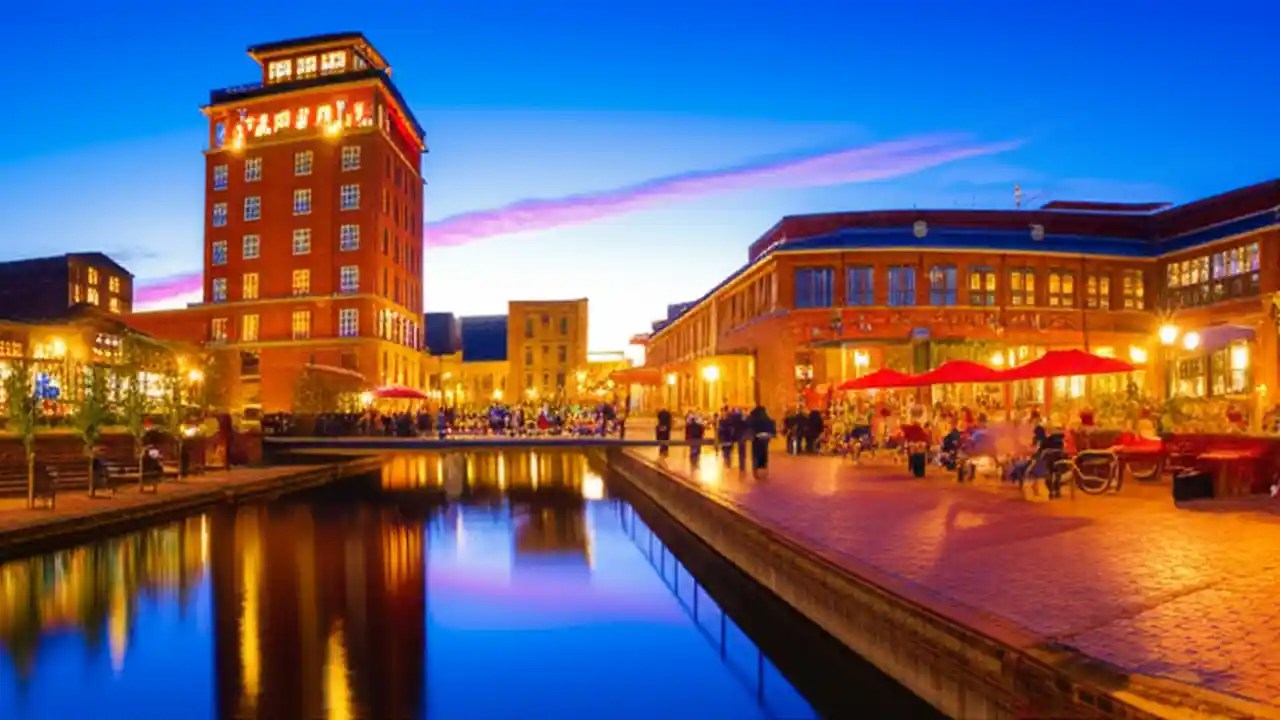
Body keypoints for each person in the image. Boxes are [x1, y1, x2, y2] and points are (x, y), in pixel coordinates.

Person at [747, 405, 776, 477]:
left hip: (757, 438)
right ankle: (763, 467)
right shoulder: (767, 418)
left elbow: (750, 426)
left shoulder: (755, 419)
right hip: (765, 438)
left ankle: (756, 468)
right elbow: (772, 427)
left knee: (756, 453)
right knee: (764, 452)